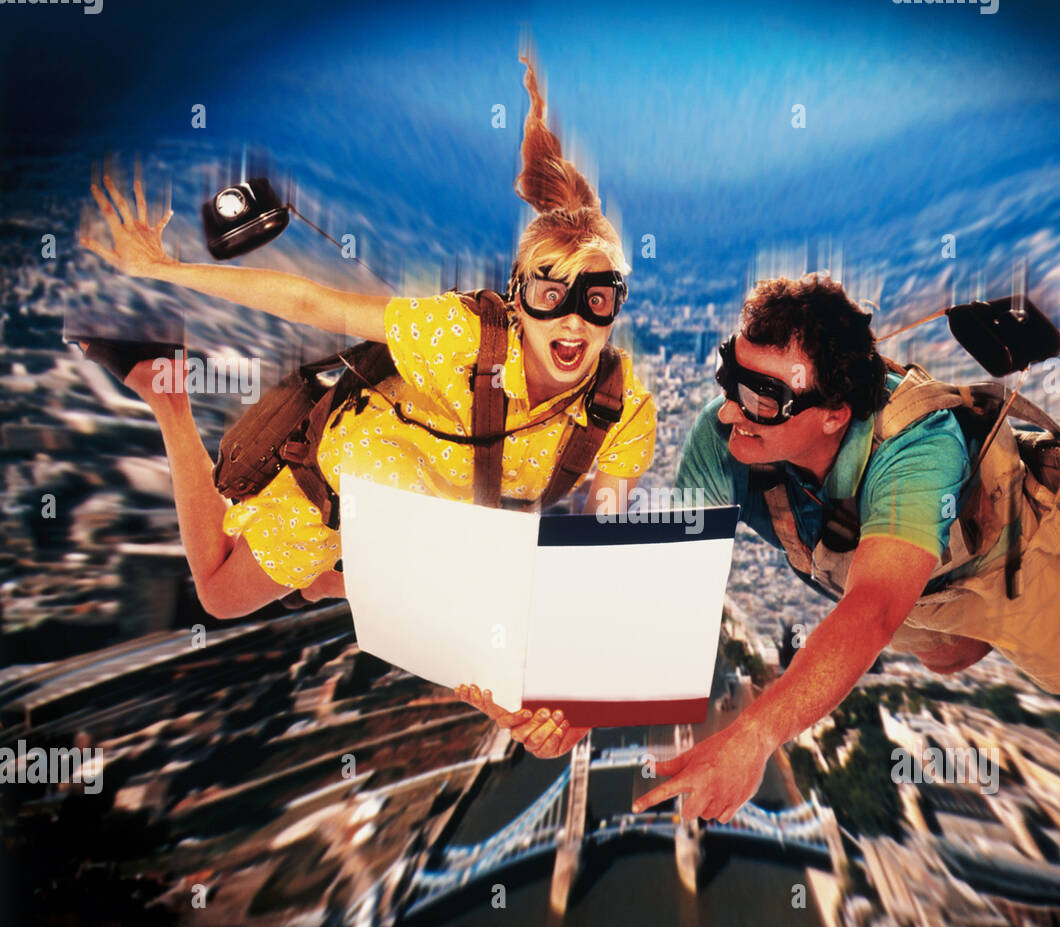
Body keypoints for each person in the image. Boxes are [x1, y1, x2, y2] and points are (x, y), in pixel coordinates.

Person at [78, 55, 656, 759]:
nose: (571, 324)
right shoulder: (462, 335)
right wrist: (161, 267)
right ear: (516, 298)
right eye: (548, 295)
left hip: (439, 525)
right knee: (220, 595)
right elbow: (318, 303)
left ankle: (337, 578)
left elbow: (597, 556)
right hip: (358, 482)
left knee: (356, 595)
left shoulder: (620, 413)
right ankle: (166, 394)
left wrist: (564, 704)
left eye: (594, 300)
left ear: (615, 306)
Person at [633, 273, 1060, 823]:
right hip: (915, 585)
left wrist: (754, 736)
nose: (732, 407)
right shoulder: (724, 438)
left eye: (764, 397)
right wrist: (566, 701)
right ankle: (961, 630)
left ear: (834, 415)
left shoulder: (917, 453)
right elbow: (675, 581)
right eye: (728, 376)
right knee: (949, 655)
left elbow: (869, 613)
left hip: (1000, 569)